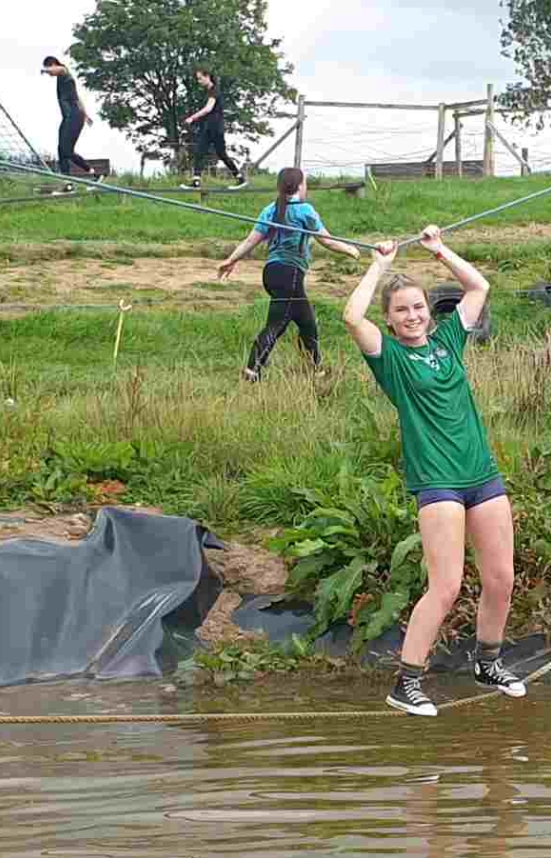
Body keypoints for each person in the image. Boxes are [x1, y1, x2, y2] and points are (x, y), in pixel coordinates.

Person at [341, 227, 524, 717]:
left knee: (502, 578)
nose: (413, 316)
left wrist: (438, 250)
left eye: (418, 307)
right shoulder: (391, 359)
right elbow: (350, 316)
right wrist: (379, 264)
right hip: (438, 481)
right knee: (445, 586)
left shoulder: (448, 341)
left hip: (481, 474)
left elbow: (479, 287)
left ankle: (488, 661)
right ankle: (407, 681)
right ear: (390, 319)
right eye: (401, 310)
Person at [216, 166, 361, 382]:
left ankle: (316, 370)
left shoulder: (270, 210)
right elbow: (327, 240)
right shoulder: (305, 210)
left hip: (272, 273)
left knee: (307, 323)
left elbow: (250, 241)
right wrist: (351, 249)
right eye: (305, 184)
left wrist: (232, 259)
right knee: (277, 324)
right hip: (289, 275)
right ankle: (251, 371)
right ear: (300, 186)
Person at [183, 69, 246, 191]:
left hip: (216, 128)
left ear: (207, 77)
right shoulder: (208, 92)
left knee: (221, 154)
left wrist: (192, 118)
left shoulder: (214, 91)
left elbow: (208, 109)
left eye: (200, 78)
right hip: (208, 127)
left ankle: (240, 178)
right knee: (199, 152)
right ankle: (196, 182)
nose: (199, 81)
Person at [41, 57, 92, 182]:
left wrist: (45, 70)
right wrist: (86, 115)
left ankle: (91, 172)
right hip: (71, 117)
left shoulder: (64, 73)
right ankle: (66, 180)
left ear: (53, 64)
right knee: (61, 149)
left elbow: (60, 69)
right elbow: (77, 98)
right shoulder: (64, 82)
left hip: (74, 117)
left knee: (66, 150)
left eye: (50, 68)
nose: (50, 74)